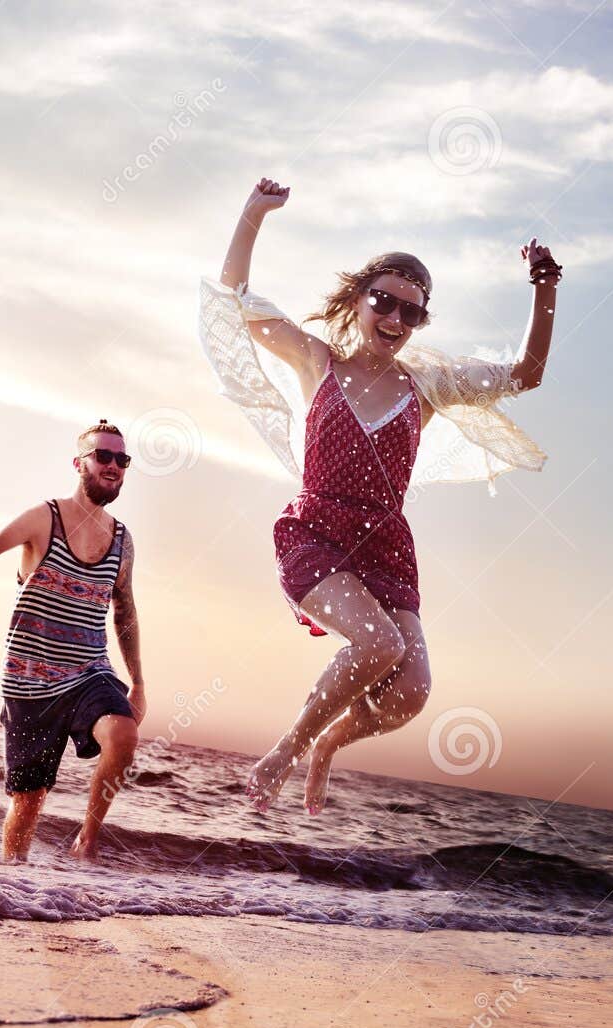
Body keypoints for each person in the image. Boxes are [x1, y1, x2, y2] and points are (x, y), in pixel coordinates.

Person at [198, 177, 563, 814]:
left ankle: (328, 743)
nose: (394, 319)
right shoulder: (317, 362)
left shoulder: (427, 387)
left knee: (410, 692)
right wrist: (253, 212)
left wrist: (545, 285)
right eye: (384, 302)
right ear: (360, 299)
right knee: (379, 645)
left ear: (420, 321)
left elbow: (526, 375)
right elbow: (234, 299)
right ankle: (286, 751)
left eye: (410, 313)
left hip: (384, 545)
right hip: (315, 534)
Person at [0, 421, 146, 862]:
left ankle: (86, 841)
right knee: (28, 803)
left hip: (89, 671)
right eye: (103, 456)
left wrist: (138, 682)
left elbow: (125, 611)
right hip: (28, 680)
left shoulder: (123, 541)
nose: (113, 466)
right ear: (79, 463)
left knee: (123, 732)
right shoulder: (44, 518)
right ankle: (13, 882)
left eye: (121, 459)